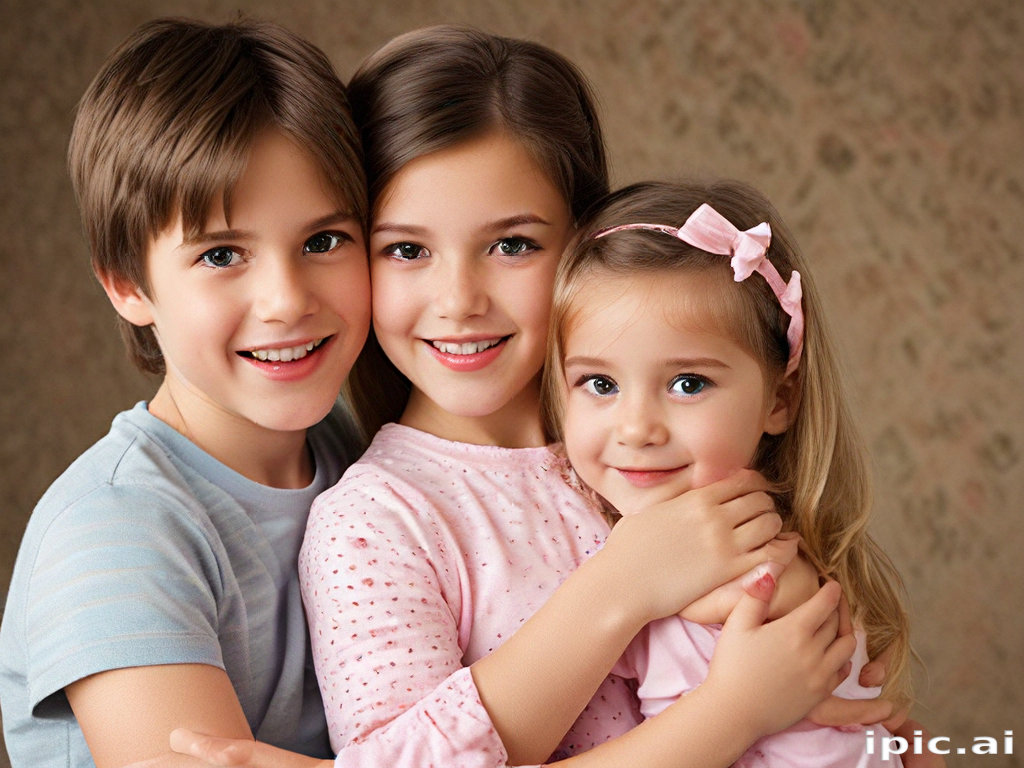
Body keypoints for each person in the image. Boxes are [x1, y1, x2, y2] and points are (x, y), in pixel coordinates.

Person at [170, 27, 882, 768]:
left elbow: (842, 699)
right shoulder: (377, 522)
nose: (459, 300)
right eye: (407, 249)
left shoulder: (648, 447)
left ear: (585, 241)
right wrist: (717, 696)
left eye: (512, 245)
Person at [0, 17, 372, 767]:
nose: (286, 300)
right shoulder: (114, 529)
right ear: (127, 284)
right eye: (222, 254)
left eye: (323, 241)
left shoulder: (351, 450)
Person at [543, 178, 913, 766]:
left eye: (688, 384)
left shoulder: (758, 562)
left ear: (779, 401)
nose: (636, 428)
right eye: (601, 383)